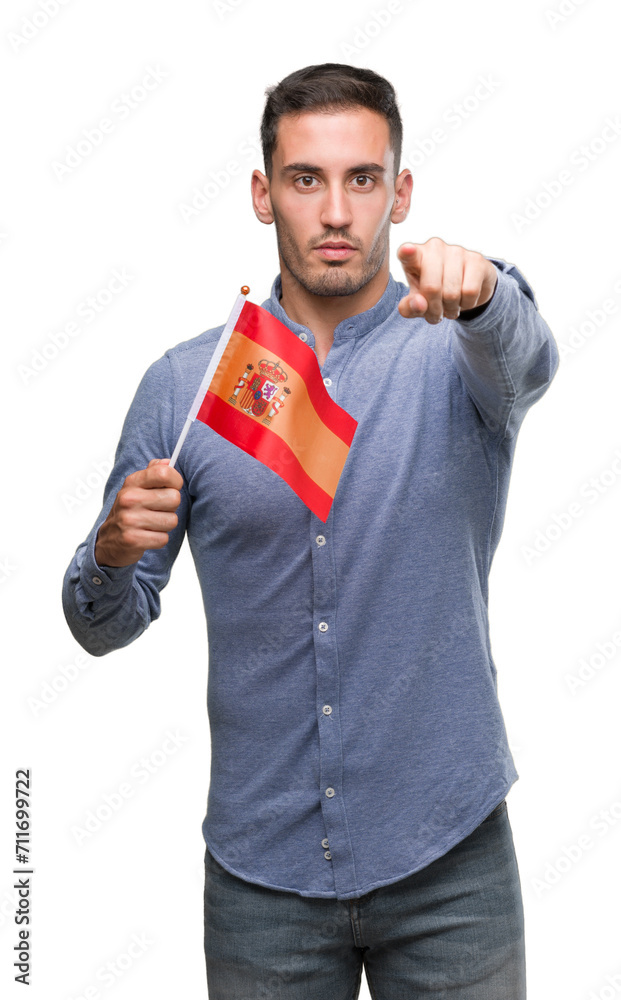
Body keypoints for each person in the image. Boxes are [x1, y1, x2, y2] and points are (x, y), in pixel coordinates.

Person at [63, 63, 559, 999]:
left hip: (449, 860)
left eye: (361, 179)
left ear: (399, 194)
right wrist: (110, 553)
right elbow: (102, 624)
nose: (335, 212)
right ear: (264, 195)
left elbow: (530, 361)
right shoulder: (188, 387)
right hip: (262, 880)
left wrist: (489, 292)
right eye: (305, 180)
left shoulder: (457, 354)